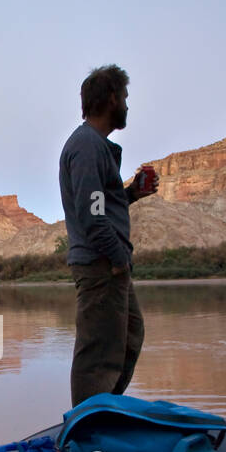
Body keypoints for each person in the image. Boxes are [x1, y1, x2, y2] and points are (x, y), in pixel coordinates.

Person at [58, 64, 159, 408]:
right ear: (112, 97)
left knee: (129, 338)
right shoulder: (87, 146)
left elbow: (100, 205)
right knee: (97, 357)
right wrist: (118, 260)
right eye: (126, 97)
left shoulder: (96, 146)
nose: (128, 106)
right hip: (102, 264)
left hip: (109, 263)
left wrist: (130, 193)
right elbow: (91, 216)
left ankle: (101, 414)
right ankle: (86, 434)